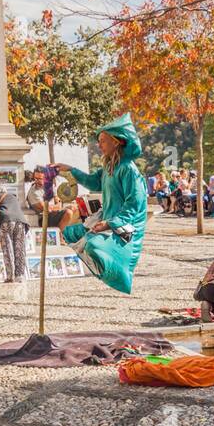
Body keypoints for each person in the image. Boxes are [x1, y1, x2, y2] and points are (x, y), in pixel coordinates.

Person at [53, 114, 149, 294]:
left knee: (94, 247)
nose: (99, 145)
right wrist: (70, 169)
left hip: (124, 225)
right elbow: (93, 182)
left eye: (103, 141)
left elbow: (134, 203)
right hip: (106, 219)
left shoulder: (128, 169)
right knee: (68, 233)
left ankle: (116, 276)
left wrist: (109, 223)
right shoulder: (109, 167)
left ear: (116, 142)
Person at [0, 179, 30, 283]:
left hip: (5, 222)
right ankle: (20, 275)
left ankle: (10, 276)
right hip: (20, 222)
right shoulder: (13, 197)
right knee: (19, 248)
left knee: (7, 249)